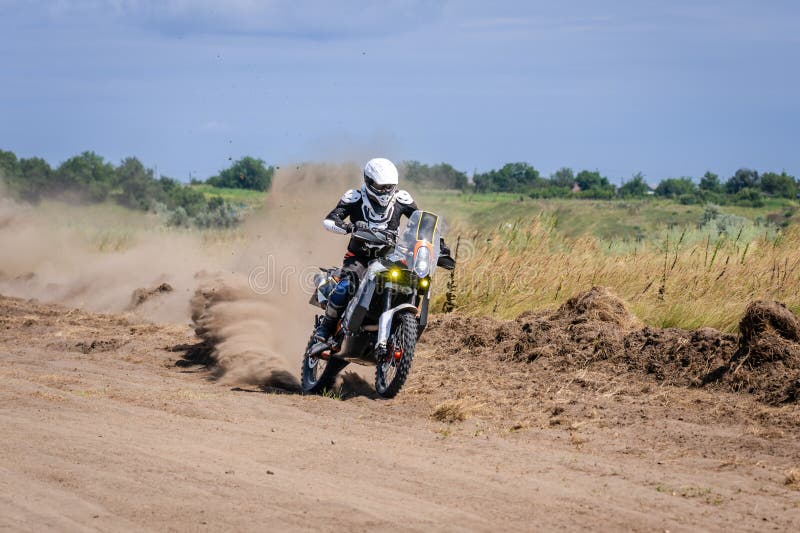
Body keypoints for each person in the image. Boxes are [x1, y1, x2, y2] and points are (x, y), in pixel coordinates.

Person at [314, 157, 450, 342]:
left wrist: (438, 245)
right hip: (359, 257)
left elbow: (421, 224)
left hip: (391, 257)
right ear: (369, 182)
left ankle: (402, 331)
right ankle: (325, 327)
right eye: (380, 186)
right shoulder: (354, 197)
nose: (385, 190)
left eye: (389, 186)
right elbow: (331, 219)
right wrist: (348, 228)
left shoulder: (402, 199)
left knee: (415, 281)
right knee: (347, 285)